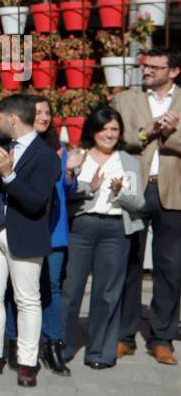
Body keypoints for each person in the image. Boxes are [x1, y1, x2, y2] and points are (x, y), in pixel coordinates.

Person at [0, 93, 62, 388]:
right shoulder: (0, 147)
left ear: (13, 119)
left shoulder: (46, 156)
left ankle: (27, 362)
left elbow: (34, 201)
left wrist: (8, 175)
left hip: (25, 233)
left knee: (27, 299)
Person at [61, 107, 145, 369]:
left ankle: (99, 352)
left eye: (114, 129)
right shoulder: (78, 156)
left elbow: (139, 202)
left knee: (107, 293)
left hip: (115, 230)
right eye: (104, 128)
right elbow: (64, 193)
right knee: (71, 289)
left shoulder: (128, 161)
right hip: (81, 226)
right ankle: (61, 347)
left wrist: (120, 192)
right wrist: (89, 187)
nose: (109, 134)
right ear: (92, 130)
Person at [112, 47, 181, 365]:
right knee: (129, 264)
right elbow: (113, 137)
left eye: (155, 66)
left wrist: (169, 134)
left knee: (170, 268)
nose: (147, 70)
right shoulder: (126, 99)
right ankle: (124, 336)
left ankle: (162, 338)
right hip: (135, 190)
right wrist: (146, 132)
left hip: (173, 192)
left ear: (174, 71)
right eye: (145, 65)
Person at [1, 97, 74, 375]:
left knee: (51, 288)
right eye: (37, 111)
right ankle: (13, 342)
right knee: (14, 288)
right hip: (22, 226)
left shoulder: (58, 149)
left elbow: (68, 189)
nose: (42, 116)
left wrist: (69, 174)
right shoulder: (9, 146)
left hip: (53, 228)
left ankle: (52, 344)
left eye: (47, 111)